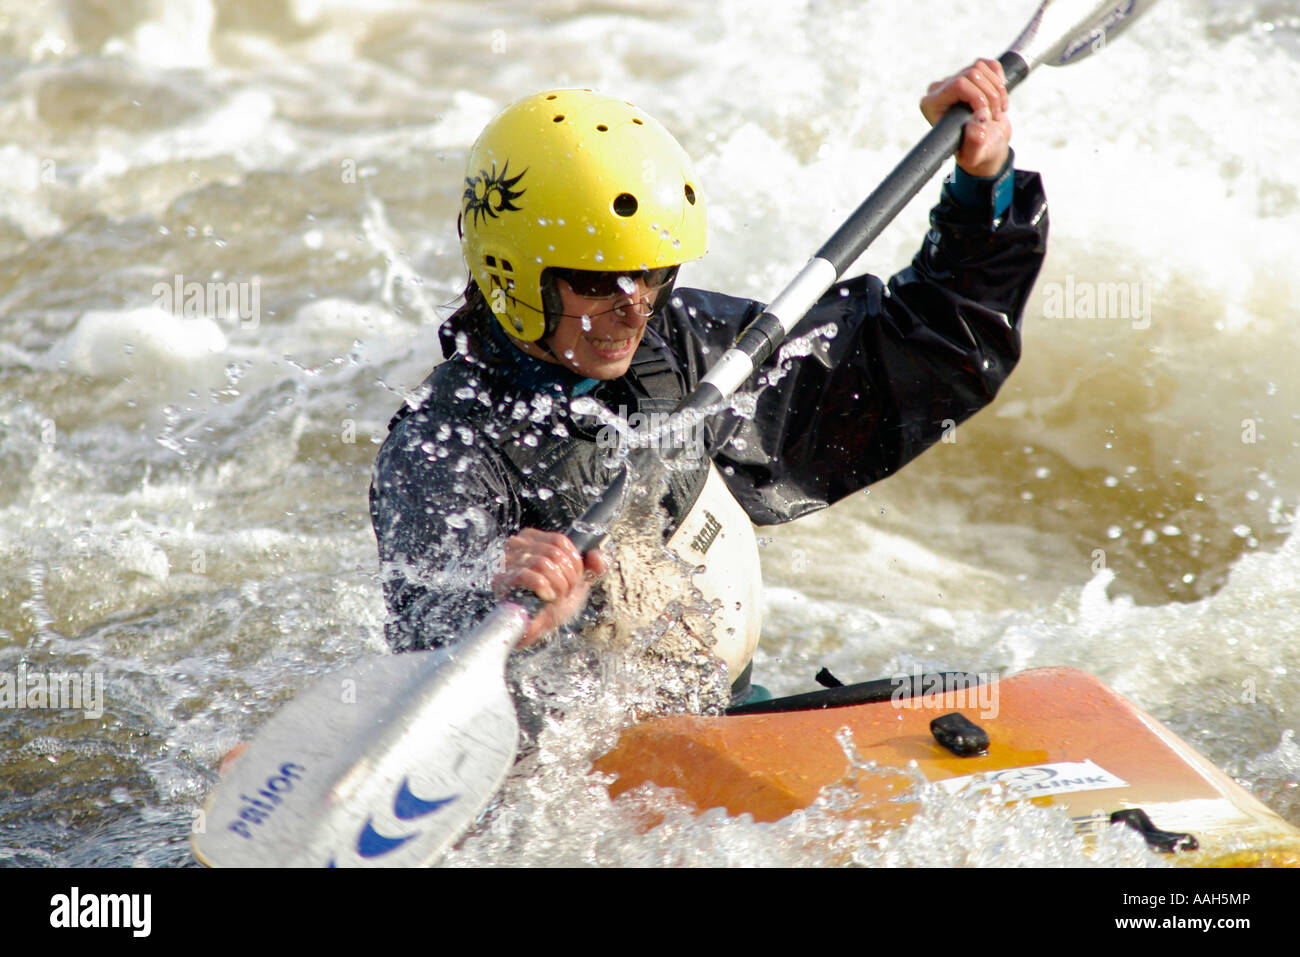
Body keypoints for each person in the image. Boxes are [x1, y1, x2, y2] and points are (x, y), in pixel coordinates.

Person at [370, 60, 1047, 704]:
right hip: (572, 765)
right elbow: (425, 644)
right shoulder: (442, 448)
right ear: (510, 271)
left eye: (653, 273)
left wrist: (980, 184)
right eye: (600, 281)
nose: (636, 308)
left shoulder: (688, 352)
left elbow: (929, 351)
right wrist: (508, 617)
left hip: (727, 720)